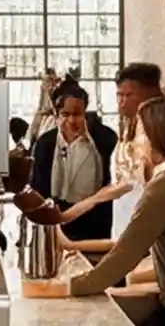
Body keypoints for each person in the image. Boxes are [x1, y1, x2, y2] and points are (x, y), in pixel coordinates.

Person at [23, 95, 165, 326]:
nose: (134, 143)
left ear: (159, 138)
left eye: (140, 133)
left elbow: (118, 262)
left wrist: (55, 289)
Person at [29, 77, 120, 241]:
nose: (71, 120)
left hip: (94, 221)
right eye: (65, 114)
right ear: (56, 114)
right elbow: (37, 186)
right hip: (56, 222)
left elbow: (113, 181)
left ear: (85, 112)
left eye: (77, 114)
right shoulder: (46, 143)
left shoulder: (105, 139)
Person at [111, 62, 164, 237]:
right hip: (123, 223)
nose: (121, 102)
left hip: (149, 230)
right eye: (119, 94)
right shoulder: (128, 125)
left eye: (128, 95)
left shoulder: (159, 132)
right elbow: (124, 184)